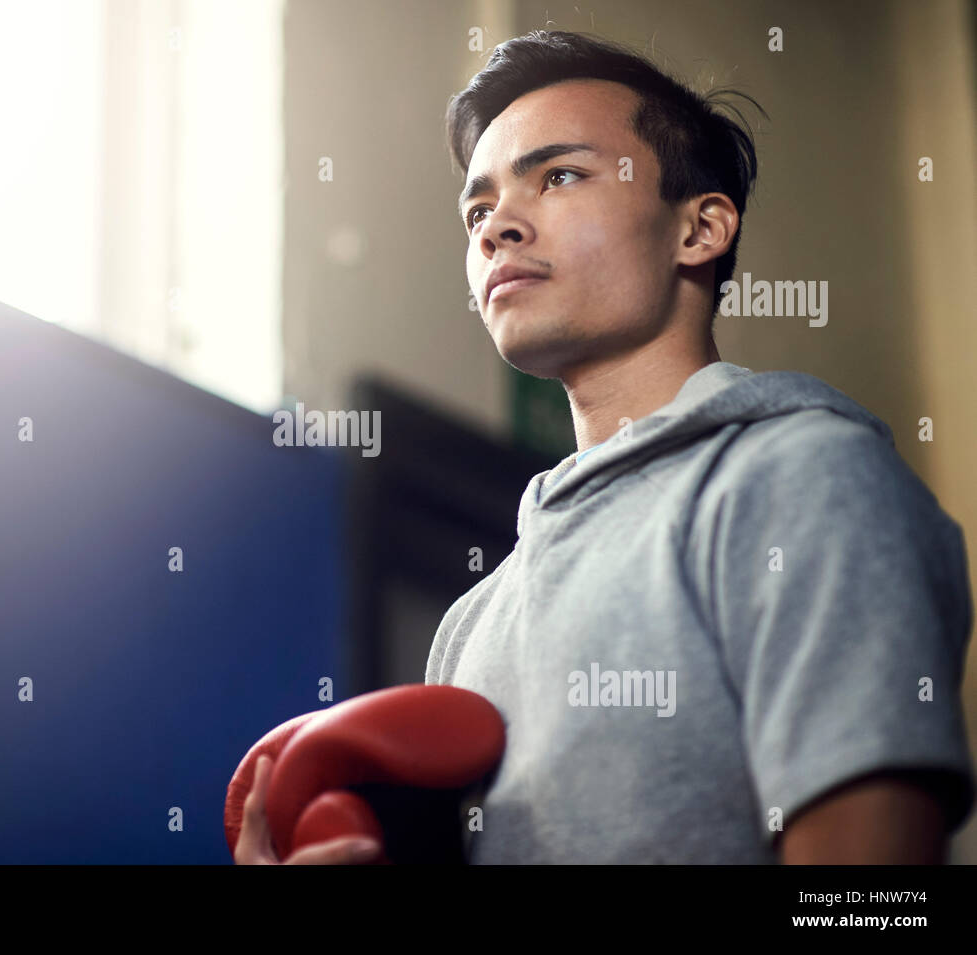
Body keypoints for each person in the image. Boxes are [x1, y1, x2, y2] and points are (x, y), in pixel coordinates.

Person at [237, 30, 974, 864]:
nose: (497, 227)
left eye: (558, 176)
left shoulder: (804, 478)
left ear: (699, 230)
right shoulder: (471, 625)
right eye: (477, 210)